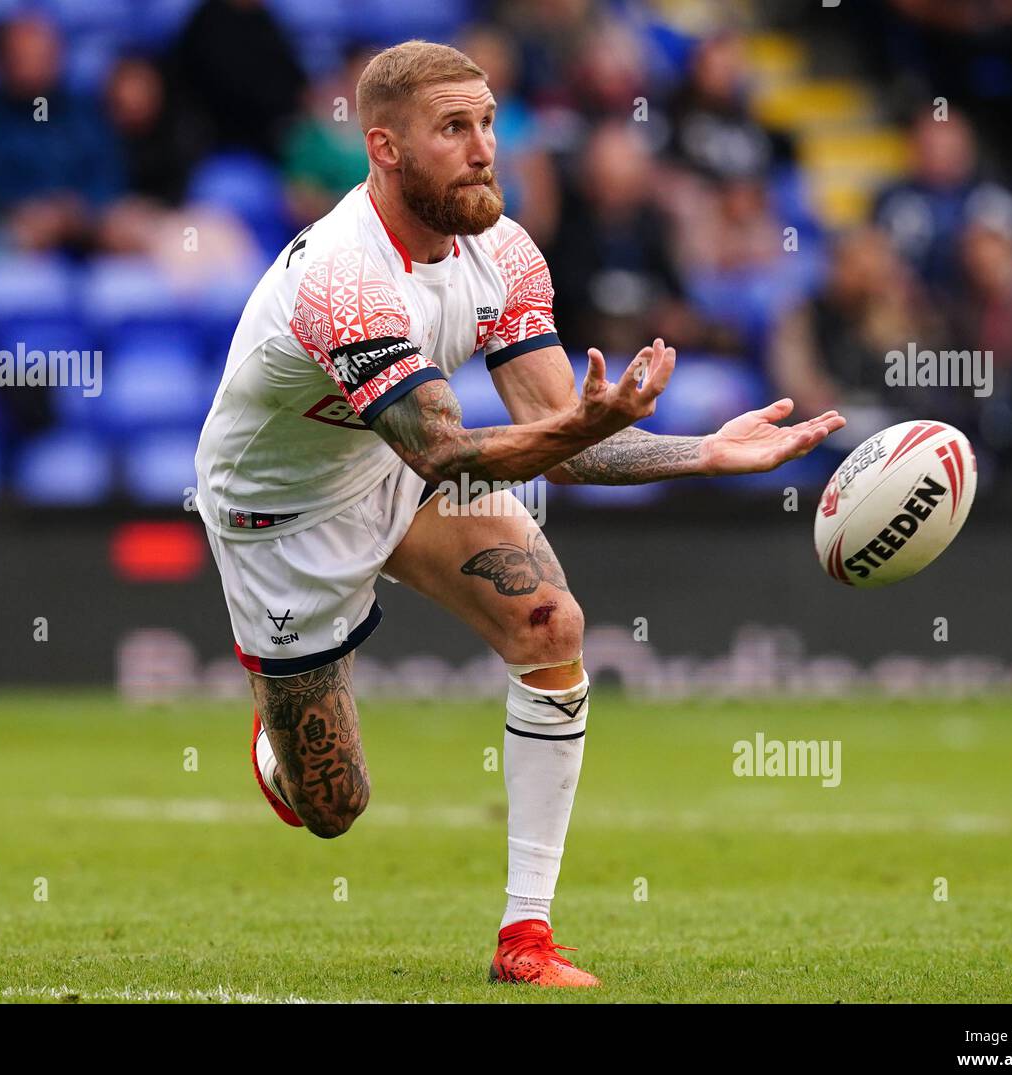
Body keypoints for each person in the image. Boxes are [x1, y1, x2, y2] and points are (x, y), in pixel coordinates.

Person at [193, 40, 844, 989]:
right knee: (332, 808)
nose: (485, 147)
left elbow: (554, 436)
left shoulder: (502, 249)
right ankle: (278, 736)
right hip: (282, 517)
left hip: (397, 465)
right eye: (453, 128)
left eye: (489, 122)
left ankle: (525, 940)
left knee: (550, 620)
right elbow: (450, 450)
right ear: (384, 147)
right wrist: (588, 422)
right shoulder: (343, 275)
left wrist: (707, 452)